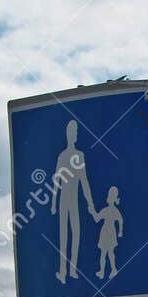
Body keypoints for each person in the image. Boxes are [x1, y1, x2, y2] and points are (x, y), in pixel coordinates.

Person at [50, 120, 96, 284]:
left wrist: (90, 203)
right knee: (64, 236)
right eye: (72, 131)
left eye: (75, 132)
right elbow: (56, 180)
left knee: (76, 233)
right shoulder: (62, 156)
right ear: (68, 134)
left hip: (74, 200)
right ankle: (62, 271)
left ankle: (72, 269)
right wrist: (53, 202)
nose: (74, 134)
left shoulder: (79, 156)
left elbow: (84, 182)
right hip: (63, 200)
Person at [95, 186, 123, 280]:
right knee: (105, 253)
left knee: (108, 253)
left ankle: (112, 269)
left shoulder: (111, 210)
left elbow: (120, 220)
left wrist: (120, 231)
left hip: (109, 232)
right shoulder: (108, 210)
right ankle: (103, 271)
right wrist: (92, 212)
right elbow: (97, 218)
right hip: (106, 232)